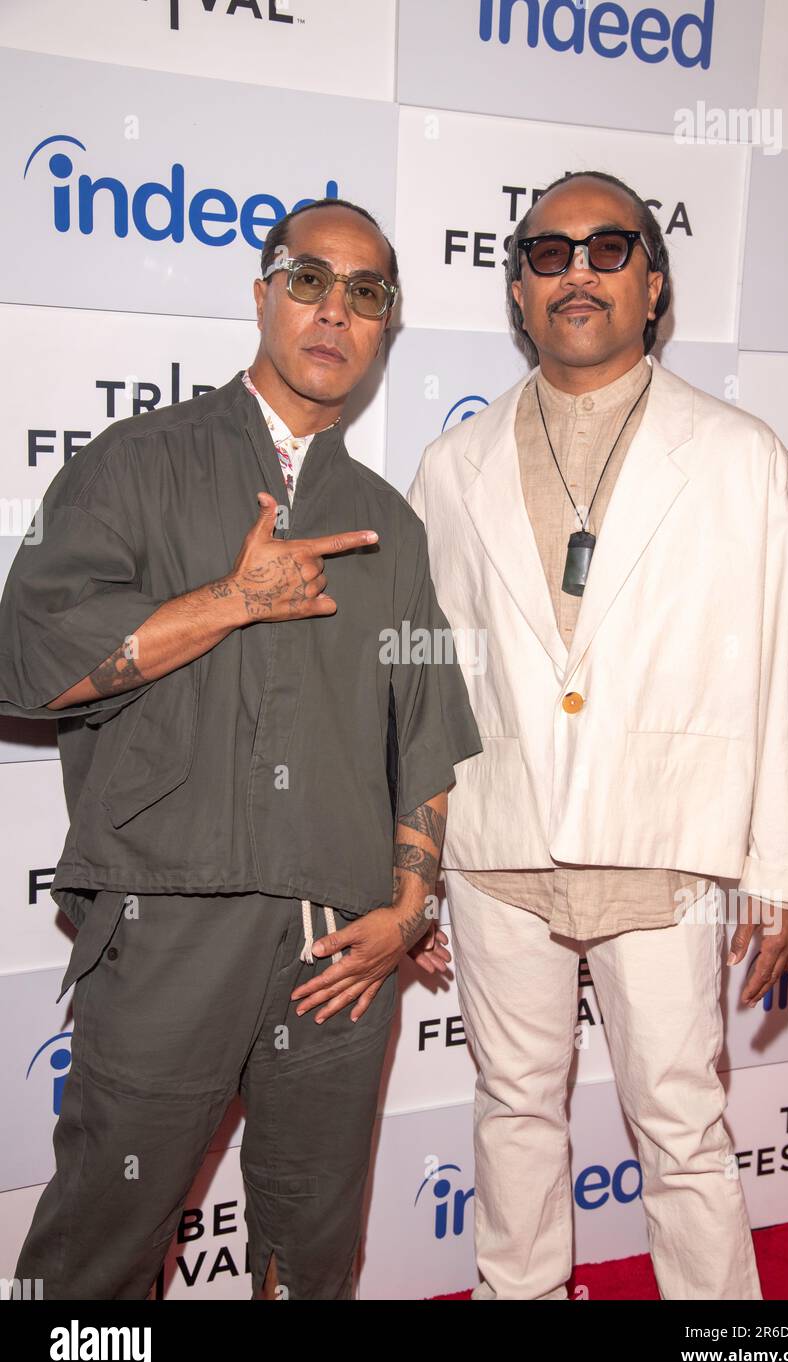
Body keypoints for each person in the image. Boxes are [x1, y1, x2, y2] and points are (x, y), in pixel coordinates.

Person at [0, 195, 482, 1300]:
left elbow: (424, 736)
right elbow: (27, 666)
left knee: (306, 1255)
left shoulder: (386, 523)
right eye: (309, 278)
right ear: (261, 292)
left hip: (336, 956)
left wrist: (407, 908)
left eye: (367, 294)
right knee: (100, 1249)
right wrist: (228, 598)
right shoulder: (135, 462)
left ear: (384, 328)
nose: (334, 311)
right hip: (170, 929)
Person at [407, 170, 788, 1301]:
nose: (578, 274)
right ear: (517, 293)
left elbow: (787, 671)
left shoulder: (738, 452)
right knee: (512, 1111)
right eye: (547, 256)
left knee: (681, 1126)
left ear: (653, 286)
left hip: (665, 844)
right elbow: (418, 679)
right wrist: (405, 856)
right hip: (500, 839)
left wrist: (787, 867)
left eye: (609, 250)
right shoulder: (451, 467)